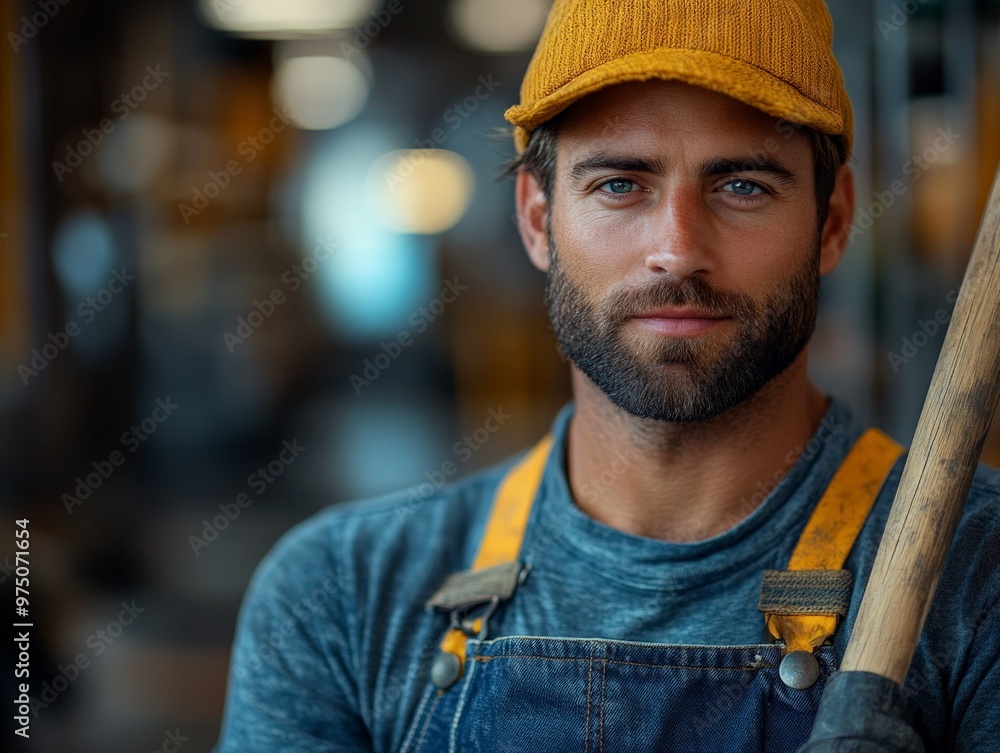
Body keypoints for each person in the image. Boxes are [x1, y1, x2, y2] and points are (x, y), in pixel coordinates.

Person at [214, 0, 1000, 750]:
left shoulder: (978, 572)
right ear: (536, 219)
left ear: (831, 224)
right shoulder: (341, 596)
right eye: (620, 184)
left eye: (742, 186)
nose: (679, 247)